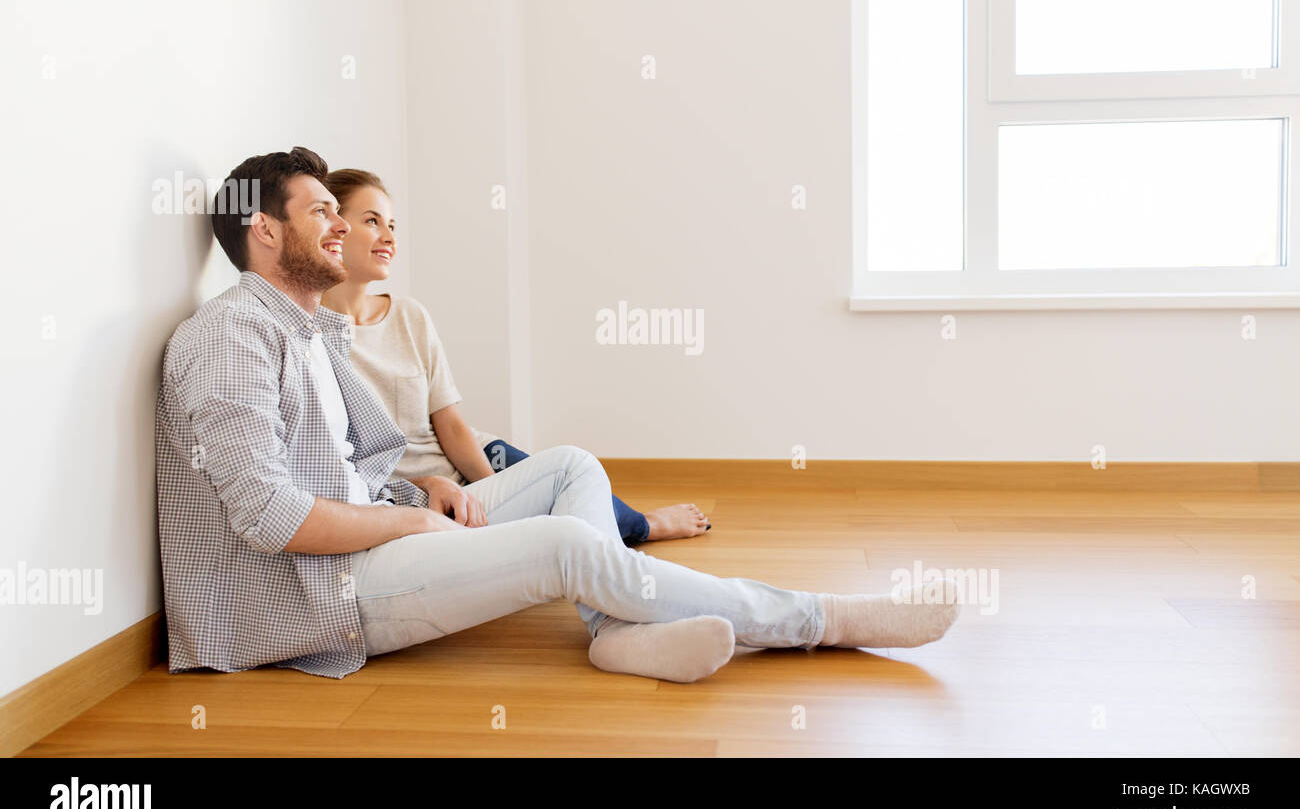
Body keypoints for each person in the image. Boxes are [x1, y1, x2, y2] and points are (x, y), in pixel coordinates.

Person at [155, 146, 961, 686]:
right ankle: (819, 619)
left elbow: (347, 473)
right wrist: (404, 527)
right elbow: (268, 516)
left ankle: (615, 633)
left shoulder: (307, 328)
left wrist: (415, 498)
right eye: (321, 212)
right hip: (319, 592)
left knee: (570, 464)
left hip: (365, 543)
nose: (343, 226)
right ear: (264, 231)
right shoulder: (231, 336)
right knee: (570, 541)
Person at [319, 167, 708, 545]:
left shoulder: (410, 315)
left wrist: (496, 489)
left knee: (573, 479)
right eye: (372, 221)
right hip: (419, 493)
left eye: (392, 225)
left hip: (471, 457)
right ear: (334, 228)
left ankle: (639, 525)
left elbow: (450, 423)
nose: (388, 236)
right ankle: (635, 534)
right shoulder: (312, 336)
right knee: (560, 502)